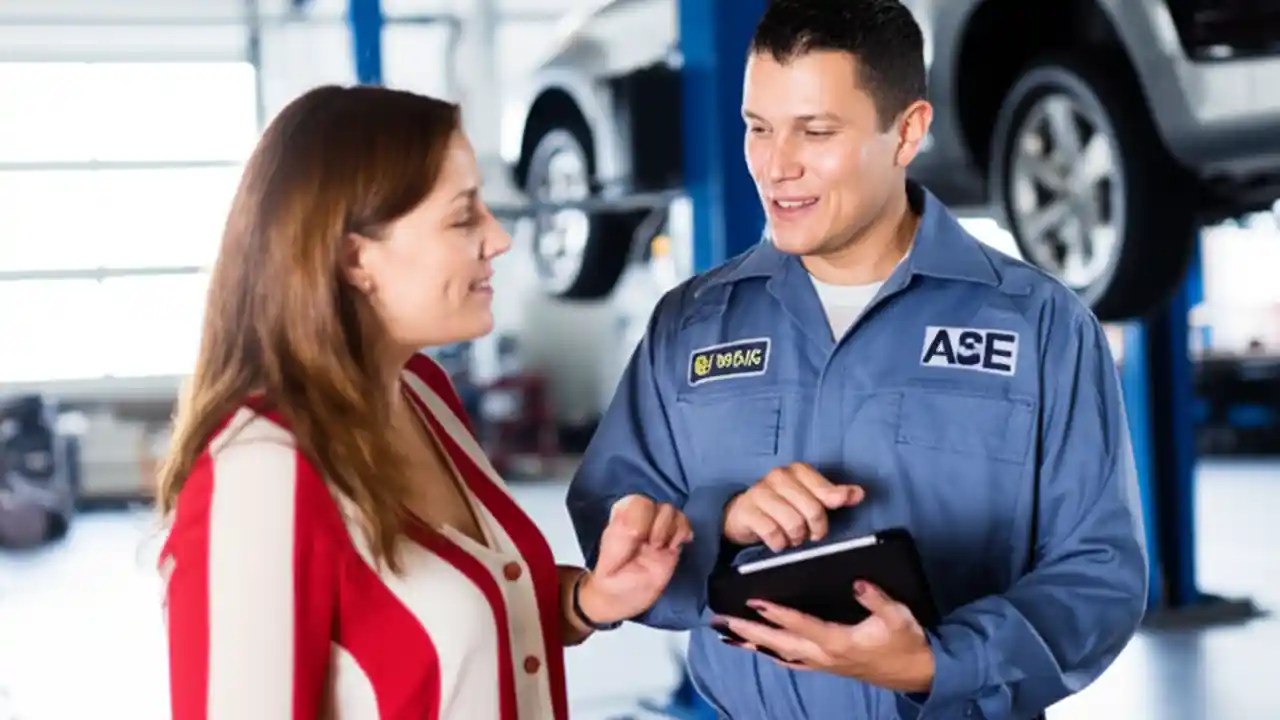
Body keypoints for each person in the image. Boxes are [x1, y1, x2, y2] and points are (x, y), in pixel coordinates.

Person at [566, 1, 1148, 718]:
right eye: (758, 128)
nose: (776, 166)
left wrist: (940, 661)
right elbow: (612, 516)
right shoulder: (691, 326)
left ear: (907, 132)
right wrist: (724, 521)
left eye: (815, 131)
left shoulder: (1041, 327)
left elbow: (1099, 574)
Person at [154, 85, 695, 720]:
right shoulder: (262, 476)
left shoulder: (422, 395)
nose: (499, 238)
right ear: (355, 256)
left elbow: (441, 629)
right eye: (464, 216)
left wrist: (590, 600)